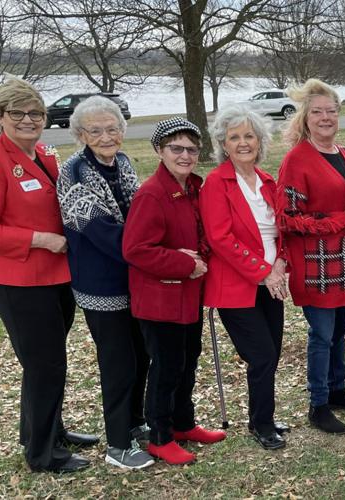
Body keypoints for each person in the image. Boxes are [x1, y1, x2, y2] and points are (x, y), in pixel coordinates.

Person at [0, 77, 98, 473]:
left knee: (46, 361)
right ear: (1, 117)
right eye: (17, 113)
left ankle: (47, 429)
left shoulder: (44, 152)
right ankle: (43, 454)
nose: (28, 119)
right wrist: (39, 239)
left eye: (36, 112)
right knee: (46, 364)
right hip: (19, 279)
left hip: (57, 275)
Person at [56, 96, 153, 469]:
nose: (106, 136)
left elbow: (141, 214)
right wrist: (152, 253)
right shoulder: (76, 172)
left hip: (134, 277)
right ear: (81, 134)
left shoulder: (123, 164)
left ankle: (134, 422)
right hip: (101, 283)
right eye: (95, 130)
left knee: (140, 354)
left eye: (112, 128)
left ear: (122, 131)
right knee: (117, 362)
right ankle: (117, 444)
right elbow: (101, 231)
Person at [123, 118, 227, 465]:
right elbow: (136, 250)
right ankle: (160, 435)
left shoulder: (194, 188)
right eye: (176, 148)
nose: (185, 155)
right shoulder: (152, 194)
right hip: (160, 299)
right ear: (159, 151)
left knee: (187, 362)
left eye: (191, 149)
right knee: (166, 367)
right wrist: (183, 263)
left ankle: (183, 423)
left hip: (189, 296)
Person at [277, 78, 345, 435]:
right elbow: (287, 218)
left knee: (340, 331)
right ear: (305, 117)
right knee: (322, 334)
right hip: (316, 265)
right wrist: (339, 220)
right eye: (317, 111)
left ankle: (336, 389)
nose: (325, 117)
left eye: (331, 110)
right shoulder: (296, 160)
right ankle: (317, 404)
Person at [200, 107, 289, 450]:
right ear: (223, 143)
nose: (242, 143)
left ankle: (260, 417)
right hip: (236, 287)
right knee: (262, 354)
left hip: (272, 282)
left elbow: (282, 232)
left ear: (260, 140)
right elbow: (221, 239)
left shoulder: (268, 182)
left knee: (272, 353)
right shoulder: (216, 184)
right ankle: (262, 424)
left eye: (249, 135)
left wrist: (280, 264)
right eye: (234, 137)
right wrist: (264, 271)